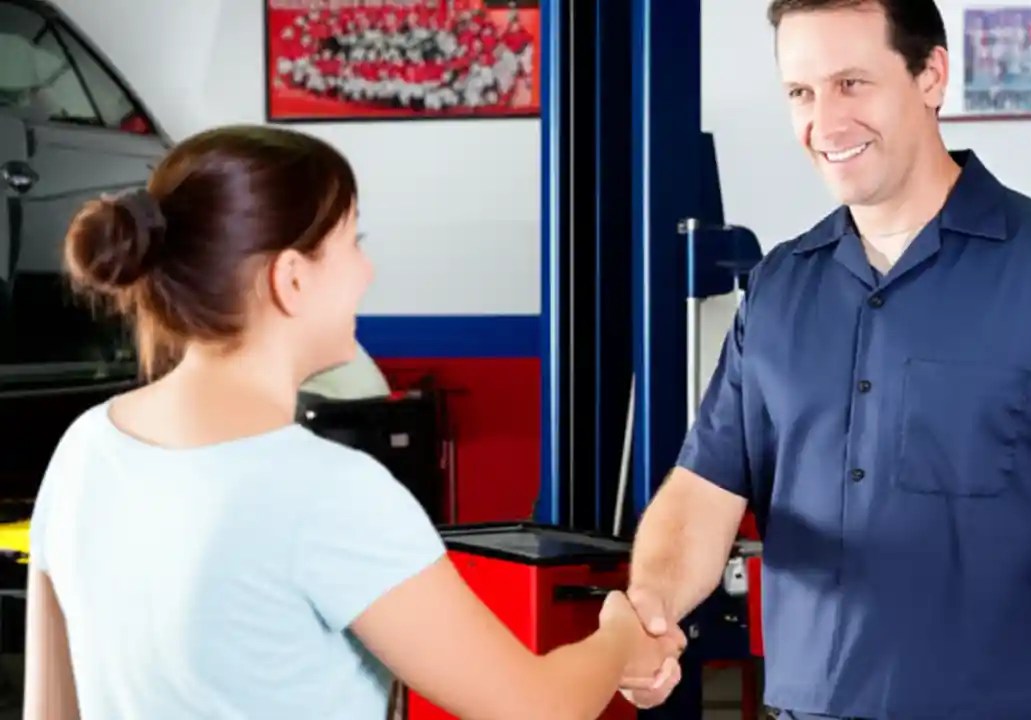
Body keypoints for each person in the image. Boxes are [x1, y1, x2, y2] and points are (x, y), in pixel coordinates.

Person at [621, 1, 1031, 719]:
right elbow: (700, 497)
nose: (825, 124)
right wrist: (647, 615)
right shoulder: (777, 289)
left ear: (931, 75)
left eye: (851, 83)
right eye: (801, 93)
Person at [23, 125, 677, 719]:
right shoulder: (327, 493)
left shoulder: (85, 448)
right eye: (351, 242)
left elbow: (49, 709)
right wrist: (619, 639)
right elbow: (534, 709)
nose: (366, 271)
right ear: (292, 279)